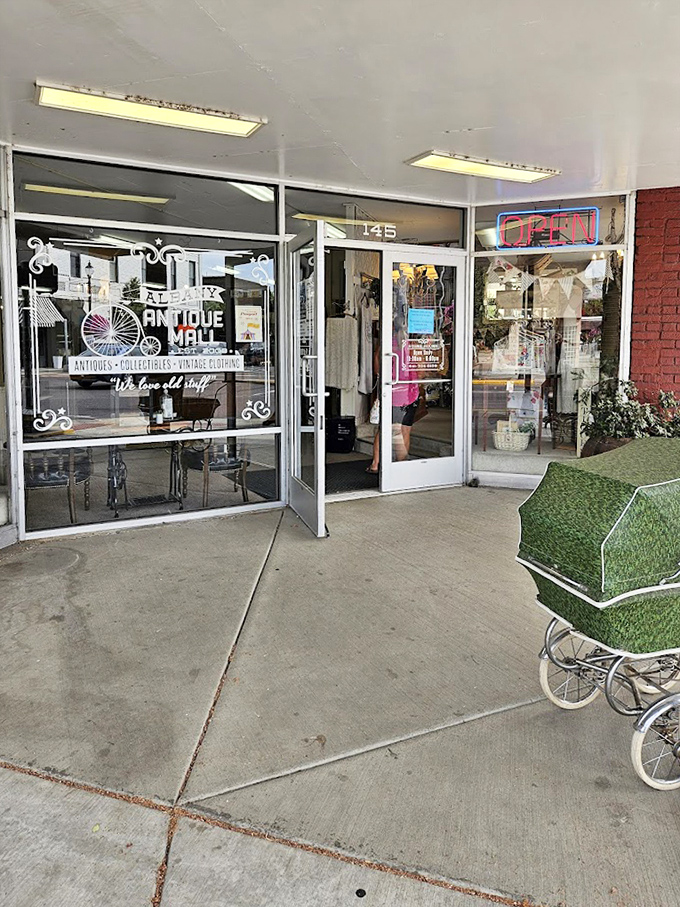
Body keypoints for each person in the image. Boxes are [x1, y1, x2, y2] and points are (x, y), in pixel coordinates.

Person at [367, 315, 421, 473]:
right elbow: (420, 370)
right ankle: (400, 465)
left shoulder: (387, 342)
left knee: (383, 429)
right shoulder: (411, 345)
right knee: (404, 430)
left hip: (389, 390)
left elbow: (377, 361)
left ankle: (375, 464)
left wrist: (381, 375)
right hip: (408, 393)